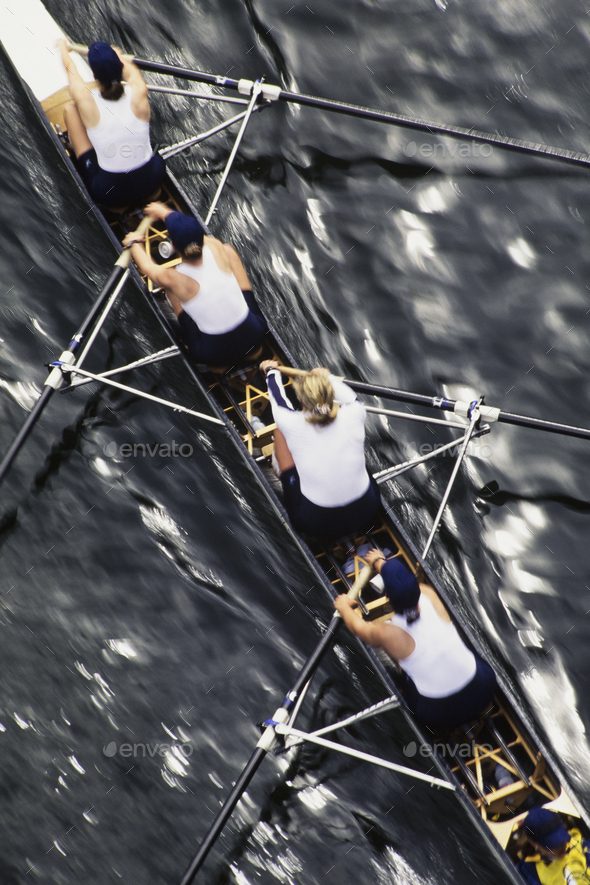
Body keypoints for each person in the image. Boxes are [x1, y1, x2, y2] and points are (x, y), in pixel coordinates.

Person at [334, 551, 497, 728]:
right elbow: (405, 585)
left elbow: (358, 628)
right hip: (485, 689)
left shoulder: (389, 634)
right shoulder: (429, 594)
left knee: (392, 654)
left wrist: (343, 607)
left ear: (387, 597)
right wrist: (380, 561)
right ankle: (484, 710)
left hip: (439, 714)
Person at [123, 203, 268, 366]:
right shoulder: (216, 246)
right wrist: (164, 212)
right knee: (230, 251)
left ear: (173, 246)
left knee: (169, 289)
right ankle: (253, 353)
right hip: (255, 335)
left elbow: (147, 267)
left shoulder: (172, 278)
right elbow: (189, 232)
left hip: (214, 353)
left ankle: (217, 367)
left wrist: (133, 244)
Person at [259, 360, 381, 538]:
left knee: (279, 430)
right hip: (368, 509)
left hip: (317, 523)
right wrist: (327, 376)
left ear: (301, 400)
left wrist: (270, 370)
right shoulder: (356, 411)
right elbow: (348, 394)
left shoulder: (289, 422)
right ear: (331, 395)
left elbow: (277, 397)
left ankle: (280, 471)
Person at [57, 40, 165, 207]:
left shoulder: (84, 97)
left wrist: (64, 48)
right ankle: (153, 195)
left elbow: (70, 67)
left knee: (70, 109)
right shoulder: (139, 89)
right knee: (151, 150)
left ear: (94, 77)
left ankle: (117, 209)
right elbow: (130, 70)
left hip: (110, 192)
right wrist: (118, 56)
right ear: (120, 68)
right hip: (151, 180)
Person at [516, 807, 590, 884]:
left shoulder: (581, 845)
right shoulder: (528, 870)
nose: (561, 846)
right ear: (533, 843)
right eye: (553, 844)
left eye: (562, 838)